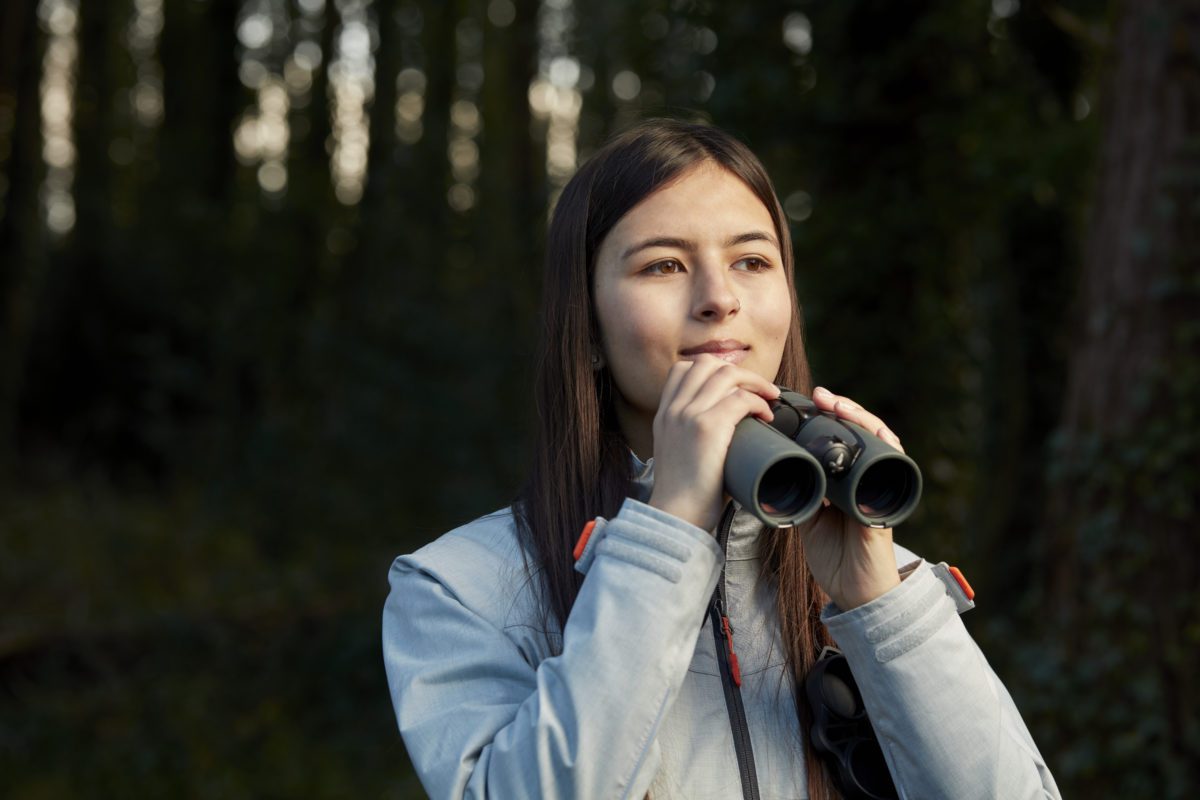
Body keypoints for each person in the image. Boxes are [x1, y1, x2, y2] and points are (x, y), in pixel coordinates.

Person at [382, 119, 1061, 799]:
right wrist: (668, 532)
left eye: (752, 261)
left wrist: (878, 602)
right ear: (585, 327)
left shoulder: (884, 576)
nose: (720, 298)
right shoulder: (462, 589)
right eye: (663, 265)